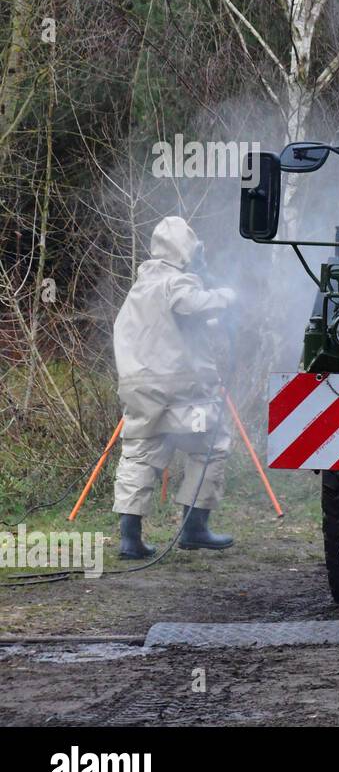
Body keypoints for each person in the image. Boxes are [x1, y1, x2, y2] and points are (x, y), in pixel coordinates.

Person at [111, 216, 238, 559]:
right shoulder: (177, 281)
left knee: (139, 454)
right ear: (186, 249)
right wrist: (225, 296)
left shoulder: (140, 288)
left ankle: (130, 539)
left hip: (138, 386)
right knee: (210, 444)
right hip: (183, 389)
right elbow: (190, 303)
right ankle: (194, 528)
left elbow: (174, 321)